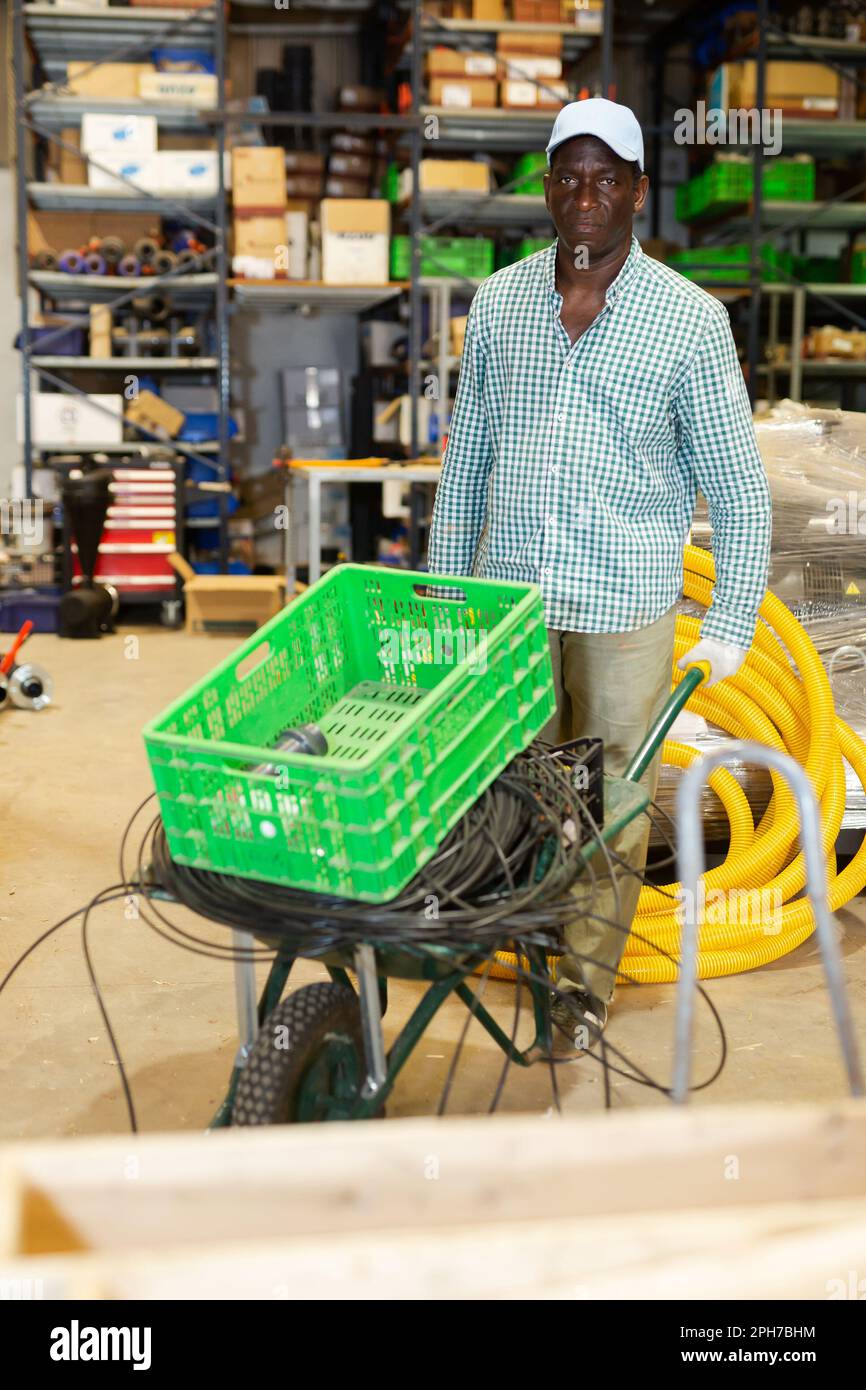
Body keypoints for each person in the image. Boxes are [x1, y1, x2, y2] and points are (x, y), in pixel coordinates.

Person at [427, 98, 772, 1046]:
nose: (587, 196)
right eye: (569, 177)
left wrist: (735, 623)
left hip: (626, 604)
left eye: (607, 178)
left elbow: (740, 493)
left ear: (638, 192)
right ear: (547, 188)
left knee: (614, 800)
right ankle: (524, 945)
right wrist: (442, 597)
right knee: (519, 791)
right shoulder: (498, 305)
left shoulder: (692, 323)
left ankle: (580, 988)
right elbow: (466, 473)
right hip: (515, 600)